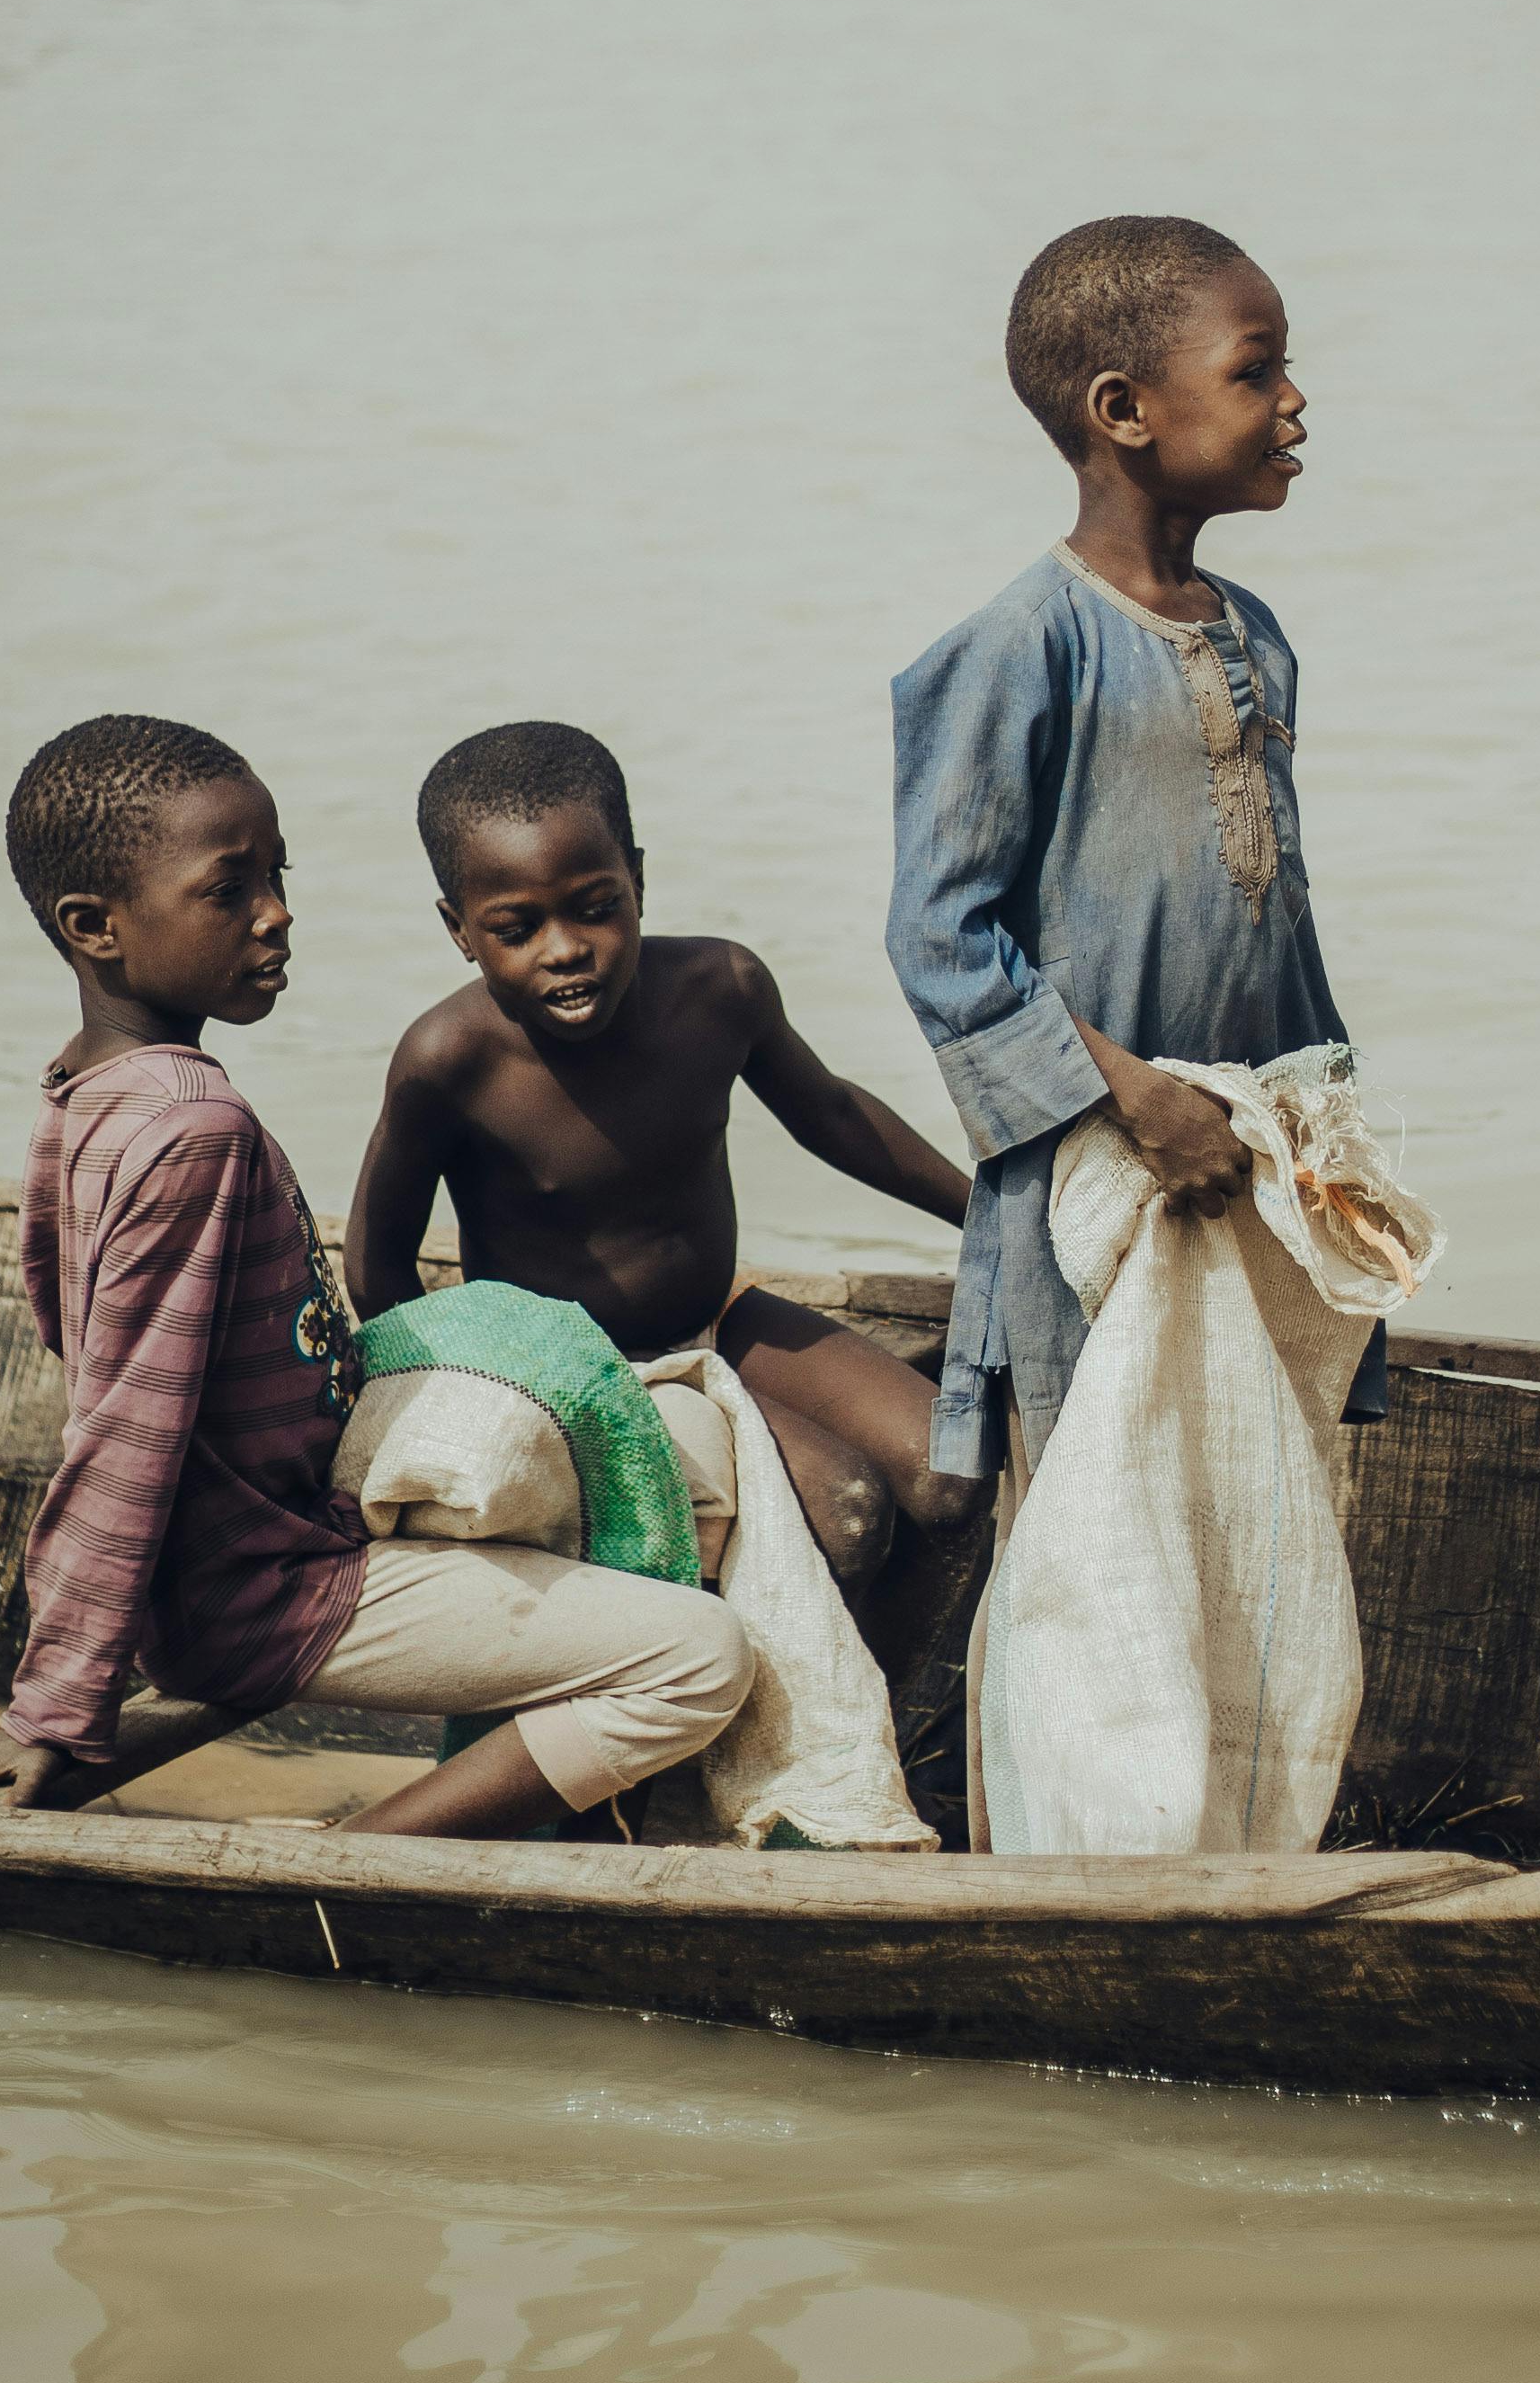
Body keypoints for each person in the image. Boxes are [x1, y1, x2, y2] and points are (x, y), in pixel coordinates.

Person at [0, 712, 752, 1839]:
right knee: (701, 1659)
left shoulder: (84, 1094)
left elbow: (58, 1312)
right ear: (96, 927)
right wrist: (54, 1706)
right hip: (267, 1587)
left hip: (273, 1535)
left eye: (278, 874)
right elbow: (122, 1433)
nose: (277, 913)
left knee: (635, 1476)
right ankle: (364, 1863)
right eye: (231, 890)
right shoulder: (194, 1127)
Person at [885, 214, 1390, 1520]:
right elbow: (940, 940)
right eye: (1256, 370)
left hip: (1250, 1174)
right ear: (1123, 409)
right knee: (1095, 1545)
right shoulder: (1019, 648)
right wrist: (1137, 1103)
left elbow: (1272, 921)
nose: (1293, 401)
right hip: (1094, 1182)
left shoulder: (1255, 638)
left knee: (1254, 1522)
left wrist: (1326, 1139)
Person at [345, 721, 991, 1609]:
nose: (566, 947)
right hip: (588, 1377)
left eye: (596, 905)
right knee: (847, 1513)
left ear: (638, 880)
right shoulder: (449, 1061)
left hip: (723, 1317)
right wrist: (485, 1399)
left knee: (954, 1478)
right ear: (459, 929)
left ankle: (869, 1729)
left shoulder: (722, 990)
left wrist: (989, 1218)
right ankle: (739, 1718)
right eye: (517, 927)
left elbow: (834, 1116)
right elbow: (376, 1271)